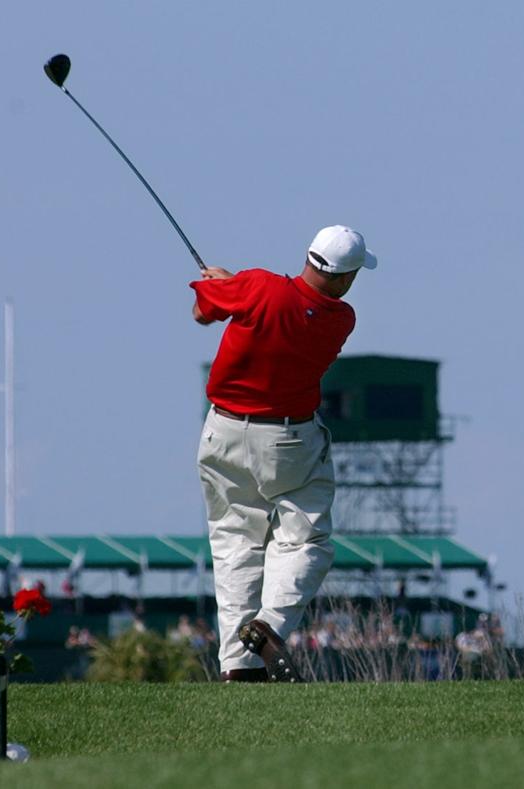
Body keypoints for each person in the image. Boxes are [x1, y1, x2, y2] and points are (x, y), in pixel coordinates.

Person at [191, 225, 372, 682]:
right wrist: (235, 287)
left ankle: (239, 665)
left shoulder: (257, 286)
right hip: (289, 440)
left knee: (234, 545)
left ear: (309, 256)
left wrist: (223, 286)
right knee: (305, 540)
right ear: (347, 279)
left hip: (222, 432)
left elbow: (201, 312)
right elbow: (288, 310)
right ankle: (269, 624)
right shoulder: (341, 319)